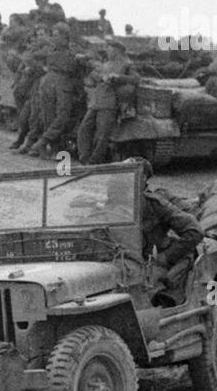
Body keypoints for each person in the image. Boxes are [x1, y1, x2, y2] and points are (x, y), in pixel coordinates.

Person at [131, 158, 203, 304]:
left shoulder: (154, 204)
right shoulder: (110, 205)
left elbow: (194, 231)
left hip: (148, 263)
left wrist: (166, 257)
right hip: (119, 262)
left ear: (143, 179)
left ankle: (170, 299)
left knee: (146, 295)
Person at [21, 25, 80, 157]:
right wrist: (42, 68)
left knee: (62, 117)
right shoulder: (49, 49)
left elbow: (84, 59)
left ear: (64, 37)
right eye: (52, 34)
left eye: (56, 35)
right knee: (48, 117)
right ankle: (51, 148)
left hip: (64, 81)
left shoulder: (74, 49)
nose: (53, 37)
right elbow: (28, 57)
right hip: (49, 81)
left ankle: (42, 142)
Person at [76, 39, 134, 165]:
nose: (107, 51)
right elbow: (98, 77)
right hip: (96, 100)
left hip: (109, 102)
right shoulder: (106, 64)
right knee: (84, 129)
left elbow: (136, 79)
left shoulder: (126, 64)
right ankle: (84, 156)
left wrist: (118, 77)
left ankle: (94, 160)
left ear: (117, 51)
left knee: (102, 135)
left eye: (110, 48)